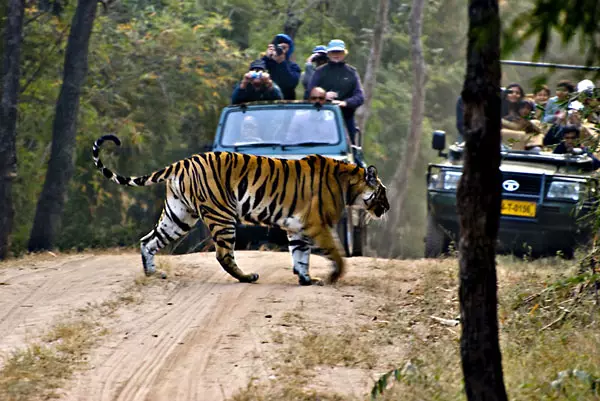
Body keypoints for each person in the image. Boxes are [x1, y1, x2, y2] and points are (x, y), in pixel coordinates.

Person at [306, 39, 364, 143]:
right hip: (320, 118)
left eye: (339, 52)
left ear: (344, 53)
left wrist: (345, 103)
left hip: (345, 119)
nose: (336, 55)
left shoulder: (352, 72)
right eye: (333, 52)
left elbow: (360, 97)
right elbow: (309, 92)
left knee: (351, 152)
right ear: (328, 53)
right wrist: (323, 95)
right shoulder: (320, 71)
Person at [262, 33, 301, 100]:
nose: (279, 49)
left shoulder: (294, 67)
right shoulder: (264, 63)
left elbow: (290, 84)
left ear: (289, 49)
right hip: (266, 104)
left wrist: (281, 62)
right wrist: (266, 58)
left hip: (286, 104)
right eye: (277, 46)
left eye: (283, 47)